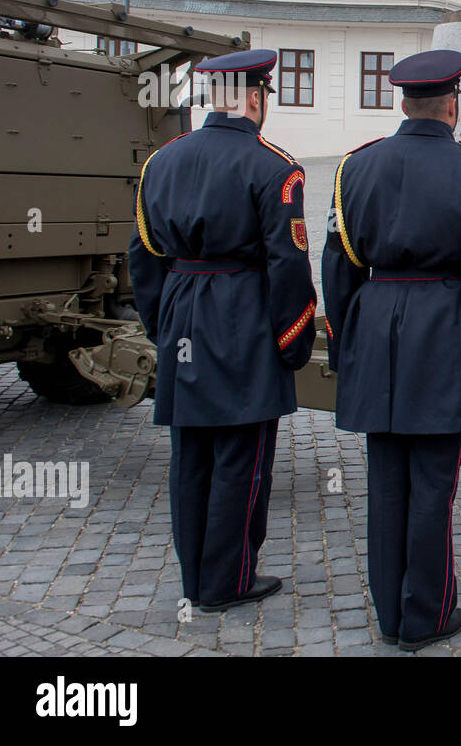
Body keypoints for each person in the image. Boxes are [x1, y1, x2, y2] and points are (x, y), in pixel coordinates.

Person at [322, 50, 461, 650]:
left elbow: (339, 267)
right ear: (454, 104)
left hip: (377, 323)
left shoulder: (356, 167)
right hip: (442, 330)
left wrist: (347, 346)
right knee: (434, 485)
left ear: (403, 104)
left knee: (386, 482)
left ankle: (390, 612)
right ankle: (425, 615)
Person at [129, 50, 317, 613]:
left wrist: (162, 325)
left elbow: (143, 256)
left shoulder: (161, 161)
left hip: (184, 308)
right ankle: (228, 580)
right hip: (243, 315)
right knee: (242, 455)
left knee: (190, 455)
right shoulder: (275, 167)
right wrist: (294, 341)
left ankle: (196, 576)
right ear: (256, 97)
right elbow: (288, 266)